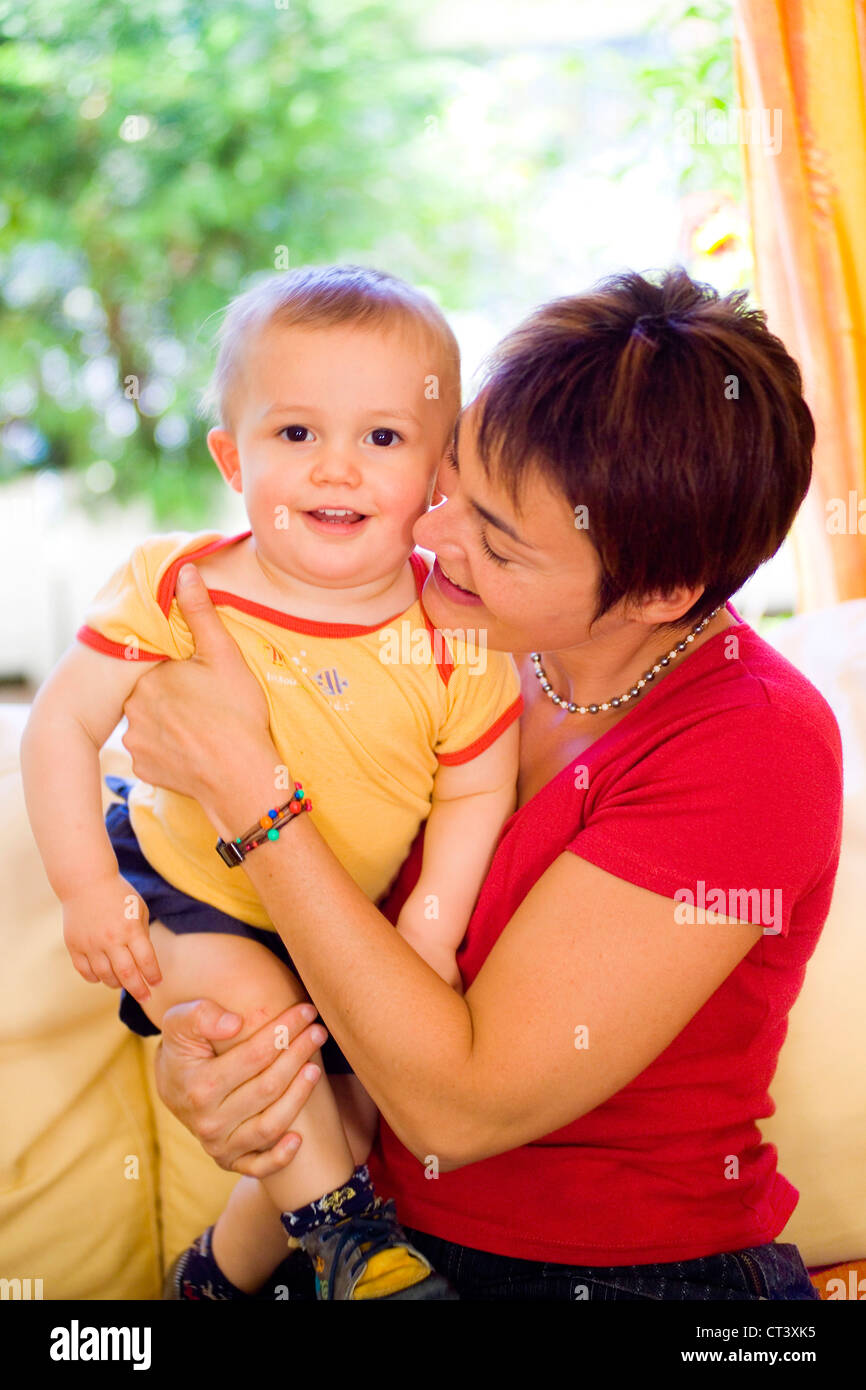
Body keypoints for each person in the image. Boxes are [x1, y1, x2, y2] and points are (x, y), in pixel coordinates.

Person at [118, 267, 841, 1302]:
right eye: (450, 477)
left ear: (658, 592)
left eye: (494, 539)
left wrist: (252, 797)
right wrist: (228, 1066)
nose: (426, 531)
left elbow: (457, 1109)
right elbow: (338, 978)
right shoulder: (454, 640)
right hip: (357, 1244)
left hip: (623, 1279)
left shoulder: (750, 743)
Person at [20, 266, 525, 1301]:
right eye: (295, 434)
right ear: (230, 455)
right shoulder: (181, 582)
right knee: (265, 1038)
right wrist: (86, 887)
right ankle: (352, 1249)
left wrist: (425, 936)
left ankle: (213, 1279)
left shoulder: (456, 638)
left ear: (437, 475)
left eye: (381, 439)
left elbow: (477, 792)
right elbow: (62, 721)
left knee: (352, 1113)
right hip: (189, 891)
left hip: (348, 926)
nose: (335, 468)